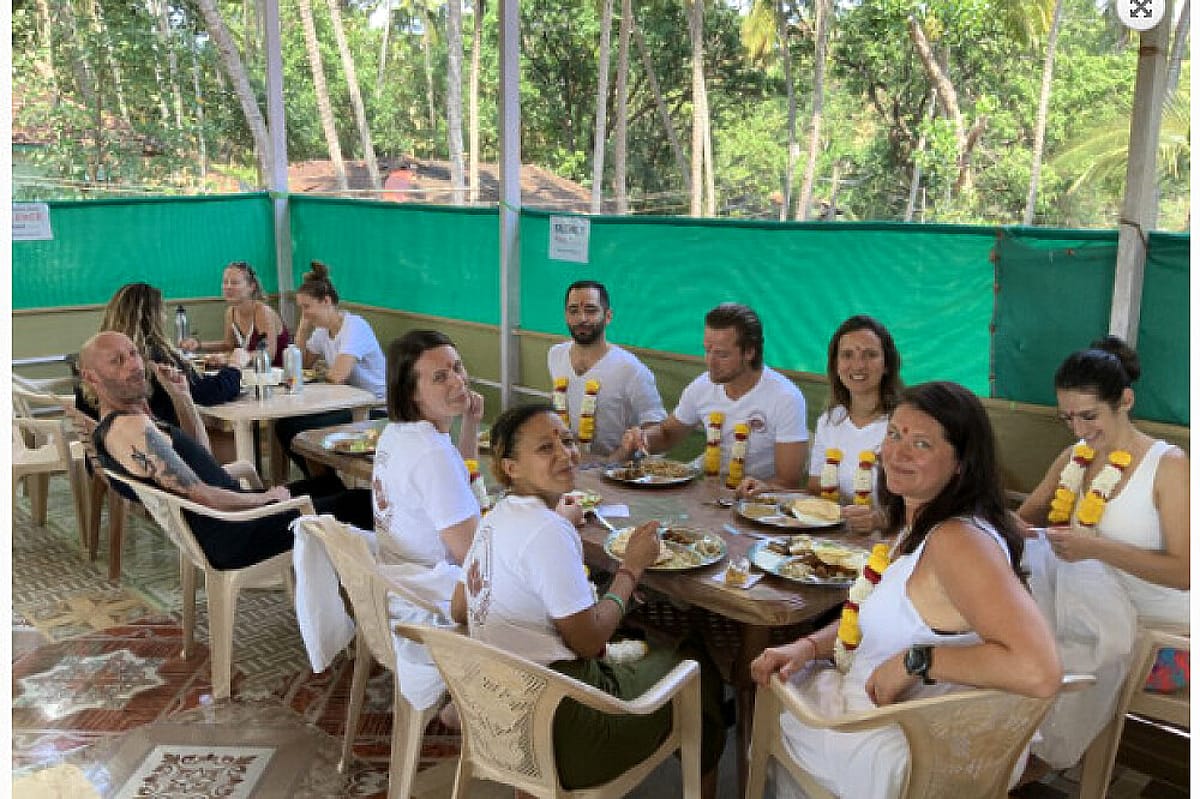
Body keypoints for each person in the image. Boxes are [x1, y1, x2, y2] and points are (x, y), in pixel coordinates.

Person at [751, 381, 1062, 799]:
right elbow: (882, 618)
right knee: (786, 674)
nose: (897, 454)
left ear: (961, 463)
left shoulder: (958, 541)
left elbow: (1038, 671)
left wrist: (916, 661)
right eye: (894, 434)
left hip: (903, 744)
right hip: (890, 715)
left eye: (921, 444)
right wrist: (807, 646)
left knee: (770, 704)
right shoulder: (918, 524)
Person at [451, 403, 727, 796]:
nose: (565, 454)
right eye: (545, 448)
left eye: (566, 440)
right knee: (697, 664)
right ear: (511, 467)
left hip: (501, 718)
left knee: (637, 643)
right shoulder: (547, 532)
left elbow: (459, 608)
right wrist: (631, 568)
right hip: (566, 734)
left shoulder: (495, 518)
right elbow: (589, 641)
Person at [1017, 336, 1189, 768]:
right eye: (1068, 418)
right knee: (1009, 637)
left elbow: (1185, 573)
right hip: (1079, 609)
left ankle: (1027, 764)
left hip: (1159, 633)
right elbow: (1023, 521)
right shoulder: (1073, 457)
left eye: (1089, 416)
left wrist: (1095, 549)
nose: (1079, 430)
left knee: (1054, 663)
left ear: (1125, 401)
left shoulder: (1169, 466)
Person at [79, 331, 371, 570]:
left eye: (133, 353)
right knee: (360, 503)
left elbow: (202, 456)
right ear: (91, 377)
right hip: (237, 533)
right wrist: (264, 499)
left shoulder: (130, 418)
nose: (134, 365)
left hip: (228, 520)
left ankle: (333, 586)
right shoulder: (131, 428)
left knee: (328, 483)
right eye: (117, 361)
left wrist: (183, 397)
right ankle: (372, 601)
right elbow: (202, 495)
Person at [613, 302, 809, 486]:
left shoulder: (786, 398)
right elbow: (667, 434)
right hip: (706, 490)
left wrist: (751, 492)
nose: (710, 362)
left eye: (722, 354)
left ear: (750, 352)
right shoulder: (702, 386)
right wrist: (644, 438)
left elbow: (787, 481)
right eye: (707, 350)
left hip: (756, 501)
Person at [745, 315, 902, 533]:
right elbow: (816, 492)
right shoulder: (830, 421)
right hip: (836, 538)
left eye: (870, 355)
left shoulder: (903, 425)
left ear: (887, 365)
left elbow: (926, 505)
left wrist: (880, 519)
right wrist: (770, 492)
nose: (858, 365)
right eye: (847, 355)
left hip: (888, 542)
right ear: (836, 365)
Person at [372, 330, 486, 567]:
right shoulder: (431, 453)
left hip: (398, 575)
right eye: (440, 377)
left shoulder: (395, 432)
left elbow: (461, 475)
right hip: (436, 585)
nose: (458, 380)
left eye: (457, 367)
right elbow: (474, 558)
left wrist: (471, 423)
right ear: (412, 392)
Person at [75, 282, 242, 428]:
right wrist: (235, 364)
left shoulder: (95, 361)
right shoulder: (157, 358)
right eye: (163, 311)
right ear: (153, 317)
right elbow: (213, 392)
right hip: (159, 447)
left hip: (111, 451)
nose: (165, 317)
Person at [275, 261, 387, 474]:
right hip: (346, 404)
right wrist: (302, 329)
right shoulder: (322, 331)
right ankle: (321, 479)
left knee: (298, 427)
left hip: (373, 408)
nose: (304, 314)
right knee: (284, 425)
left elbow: (337, 377)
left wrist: (321, 374)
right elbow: (299, 366)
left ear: (326, 301)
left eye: (306, 307)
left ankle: (325, 481)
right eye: (301, 308)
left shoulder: (355, 327)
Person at [546, 280, 666, 458]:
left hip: (616, 469)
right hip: (567, 463)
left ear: (608, 316)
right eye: (574, 310)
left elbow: (657, 428)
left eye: (591, 310)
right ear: (566, 315)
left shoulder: (631, 369)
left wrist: (628, 448)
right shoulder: (555, 355)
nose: (582, 318)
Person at [181, 261, 291, 366]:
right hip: (252, 374)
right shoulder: (231, 312)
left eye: (234, 282)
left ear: (251, 287)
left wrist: (230, 358)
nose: (228, 287)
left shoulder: (262, 312)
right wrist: (199, 345)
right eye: (225, 282)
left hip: (279, 374)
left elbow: (268, 354)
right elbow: (229, 345)